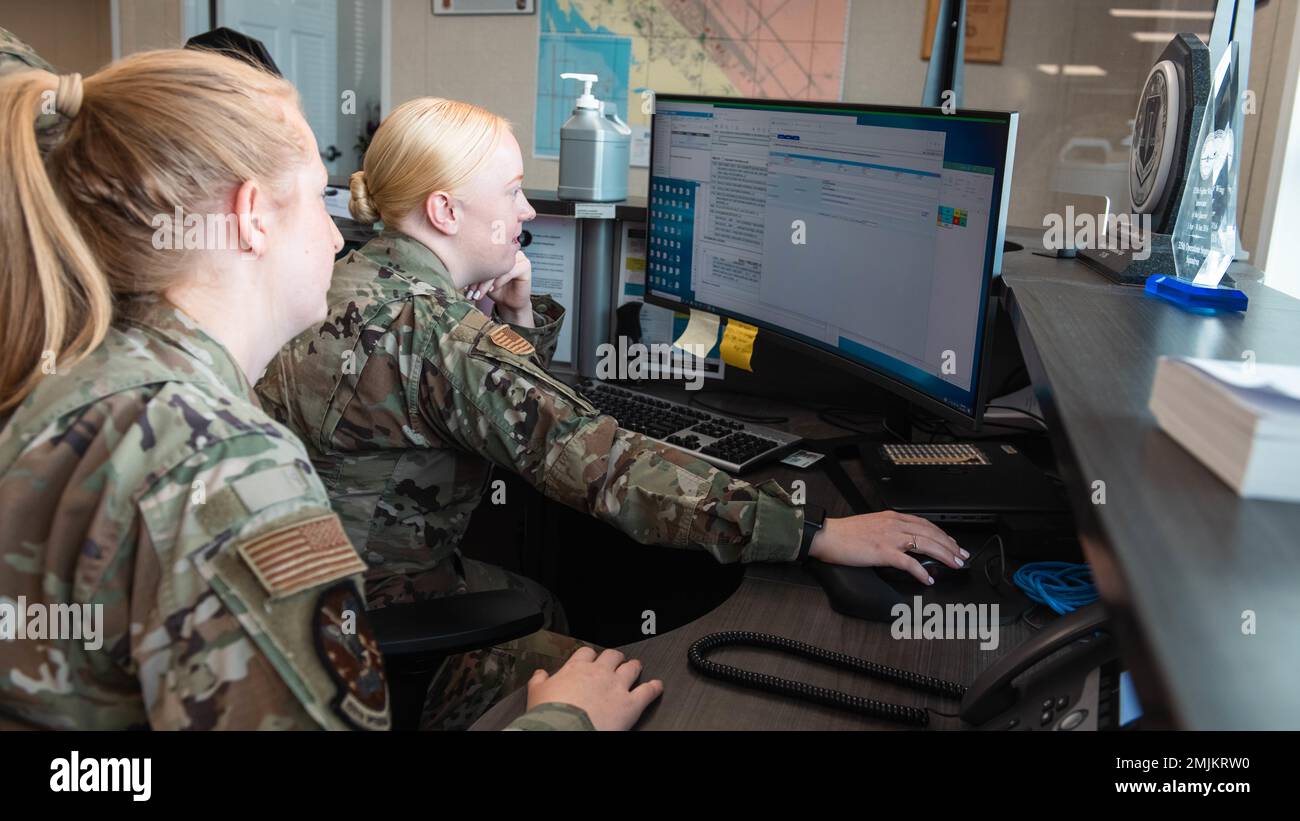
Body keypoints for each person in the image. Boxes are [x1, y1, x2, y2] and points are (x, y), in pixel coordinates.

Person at [256, 97, 968, 729]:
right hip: (379, 621)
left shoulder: (340, 275)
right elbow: (610, 465)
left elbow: (478, 399)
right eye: (510, 192)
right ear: (444, 211)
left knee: (534, 593)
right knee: (624, 677)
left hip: (297, 598)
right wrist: (811, 530)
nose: (528, 211)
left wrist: (518, 315)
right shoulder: (443, 336)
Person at [0, 50, 659, 731]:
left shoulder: (72, 374)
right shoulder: (227, 467)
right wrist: (564, 720)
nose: (336, 232)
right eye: (320, 196)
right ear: (252, 216)